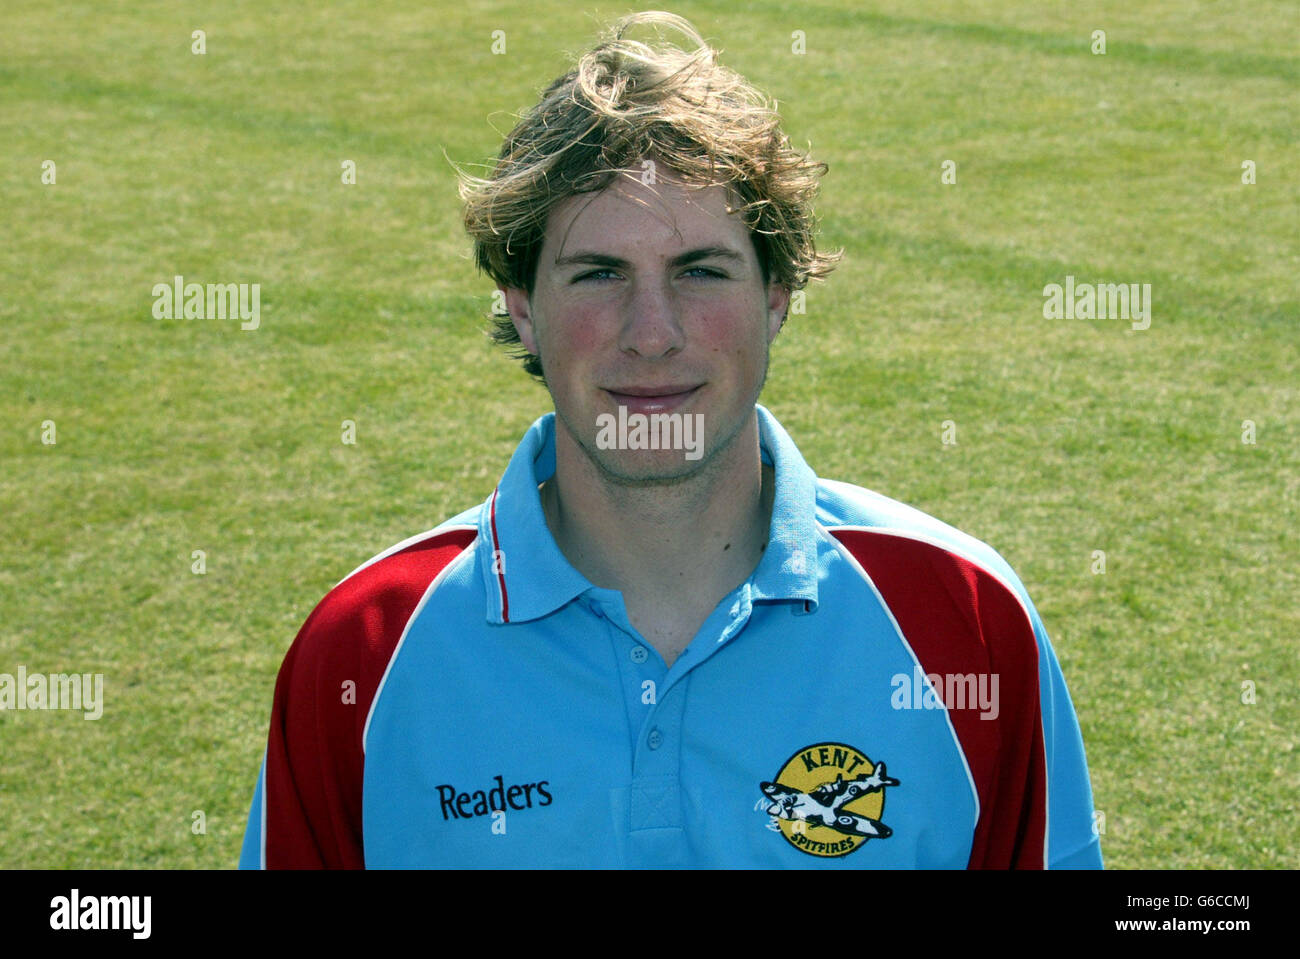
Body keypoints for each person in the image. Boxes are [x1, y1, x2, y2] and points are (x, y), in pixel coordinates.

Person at [238, 11, 1102, 868]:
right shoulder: (365, 652)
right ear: (523, 306)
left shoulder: (965, 620)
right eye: (600, 274)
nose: (651, 334)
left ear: (776, 296)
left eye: (700, 271)